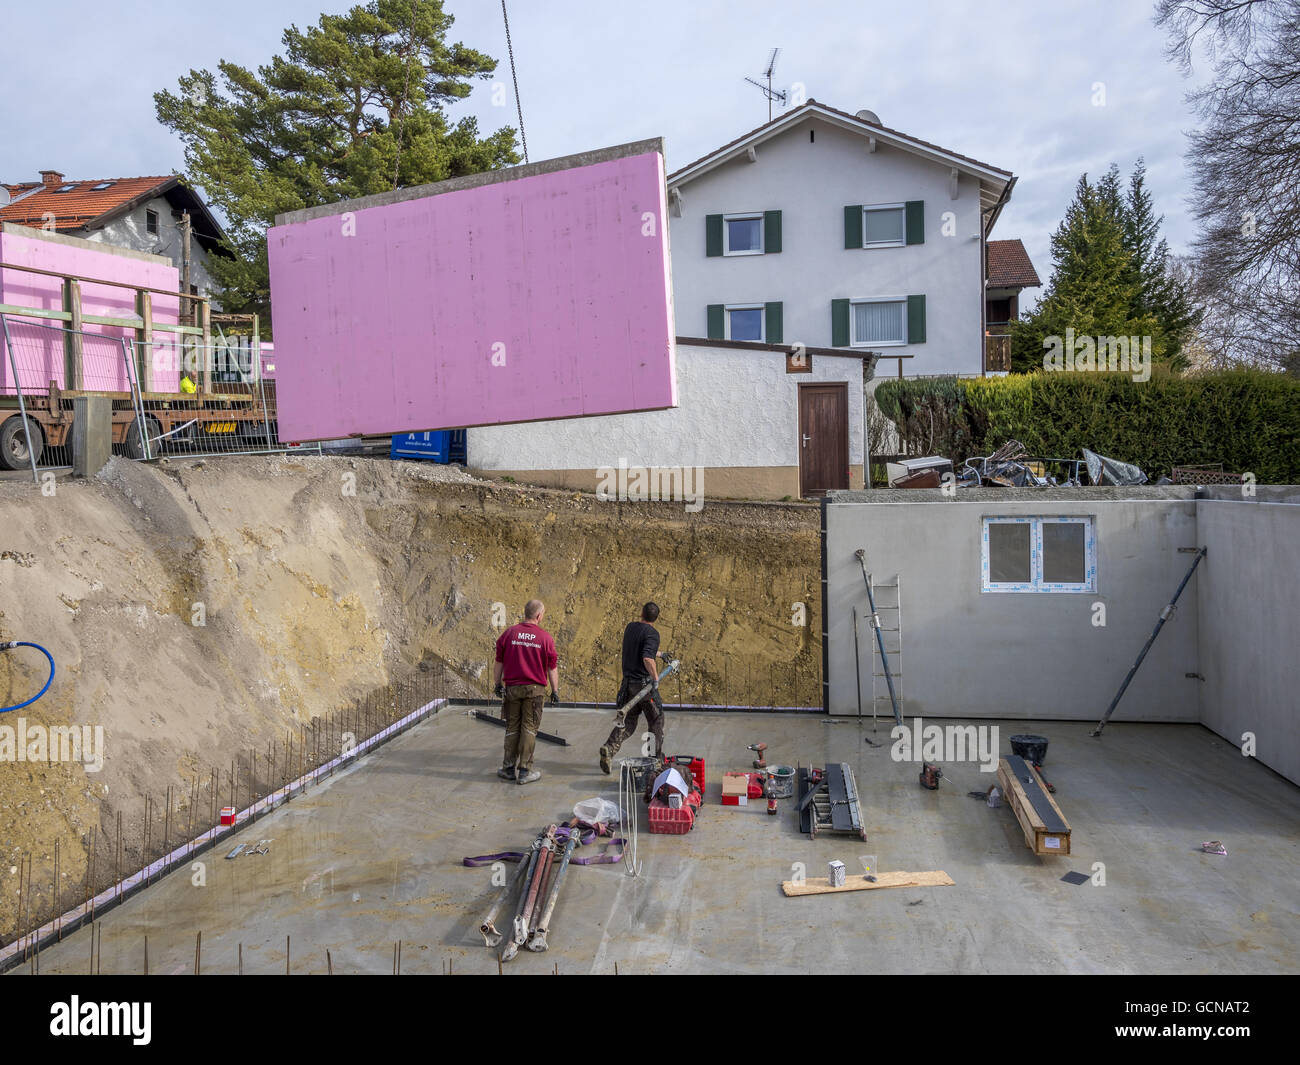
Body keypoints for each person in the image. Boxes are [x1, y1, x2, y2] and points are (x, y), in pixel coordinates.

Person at [492, 599, 559, 784]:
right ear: (539, 616)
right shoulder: (545, 639)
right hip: (534, 691)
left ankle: (507, 768)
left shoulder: (509, 634)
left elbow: (499, 662)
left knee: (512, 727)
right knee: (529, 728)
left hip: (512, 689)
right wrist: (555, 690)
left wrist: (497, 684)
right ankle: (524, 771)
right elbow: (551, 668)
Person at [598, 602, 669, 774]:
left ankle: (609, 749)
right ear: (656, 618)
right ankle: (654, 759)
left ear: (641, 613)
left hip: (628, 684)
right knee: (656, 720)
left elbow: (641, 649)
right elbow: (646, 658)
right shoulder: (653, 633)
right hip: (644, 687)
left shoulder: (631, 628)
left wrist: (660, 654)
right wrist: (656, 678)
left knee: (628, 721)